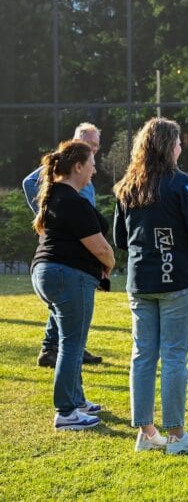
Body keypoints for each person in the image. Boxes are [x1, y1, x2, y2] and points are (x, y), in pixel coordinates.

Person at [113, 118, 188, 453]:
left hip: (140, 280)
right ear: (169, 146)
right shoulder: (182, 184)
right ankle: (176, 435)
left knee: (142, 355)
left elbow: (119, 239)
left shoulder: (128, 186)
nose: (182, 147)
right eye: (179, 141)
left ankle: (146, 431)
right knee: (173, 356)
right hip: (177, 280)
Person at [30, 140, 116, 431]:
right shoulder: (72, 202)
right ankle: (66, 412)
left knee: (72, 341)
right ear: (77, 166)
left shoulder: (55, 197)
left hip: (46, 274)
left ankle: (76, 401)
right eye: (91, 164)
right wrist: (109, 264)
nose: (94, 169)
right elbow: (101, 248)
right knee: (72, 343)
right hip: (67, 276)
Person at [24, 123, 104, 368]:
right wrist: (47, 216)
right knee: (67, 296)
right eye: (89, 145)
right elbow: (29, 183)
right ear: (75, 141)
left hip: (79, 249)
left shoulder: (84, 173)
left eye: (96, 147)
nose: (93, 152)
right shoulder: (64, 169)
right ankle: (57, 348)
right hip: (66, 250)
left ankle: (59, 347)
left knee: (66, 300)